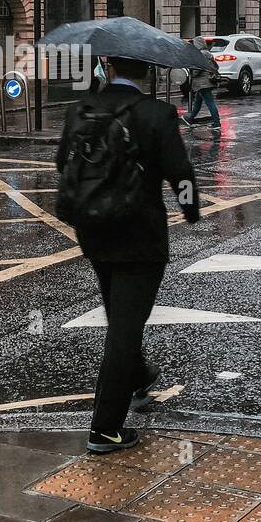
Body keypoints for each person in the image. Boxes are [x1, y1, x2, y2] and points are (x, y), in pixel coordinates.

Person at [56, 56, 201, 455]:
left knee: (122, 316)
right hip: (140, 237)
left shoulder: (79, 110)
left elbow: (61, 166)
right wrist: (190, 210)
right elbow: (181, 173)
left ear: (108, 65)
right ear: (148, 71)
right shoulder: (157, 114)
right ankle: (105, 430)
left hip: (94, 232)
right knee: (124, 329)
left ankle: (140, 374)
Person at [182, 38, 222, 130]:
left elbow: (198, 69)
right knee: (197, 102)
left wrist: (191, 72)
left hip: (202, 83)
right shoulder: (208, 54)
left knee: (210, 103)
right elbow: (216, 66)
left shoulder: (200, 54)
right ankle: (190, 118)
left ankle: (217, 123)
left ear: (198, 45)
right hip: (207, 81)